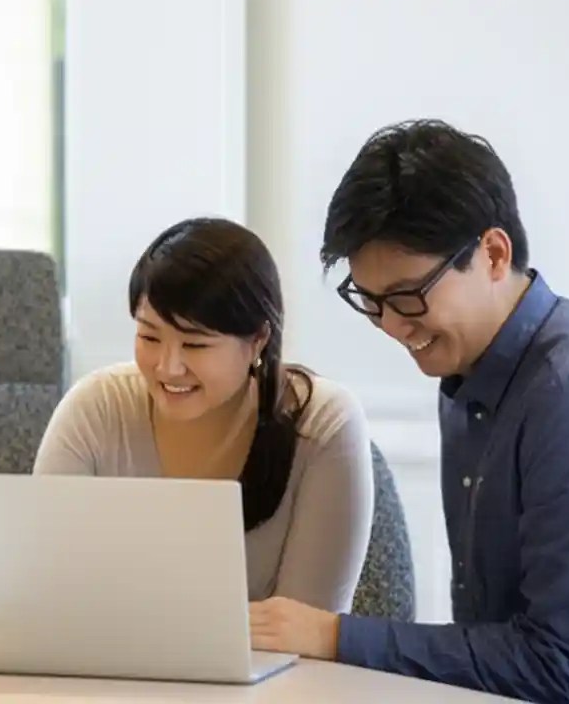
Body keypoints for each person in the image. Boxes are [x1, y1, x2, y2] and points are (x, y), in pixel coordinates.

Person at [249, 119, 569, 703]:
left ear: (493, 254)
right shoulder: (471, 369)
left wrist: (336, 635)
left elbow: (562, 670)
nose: (394, 327)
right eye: (370, 302)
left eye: (406, 296)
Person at [34, 218, 375, 612]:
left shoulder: (323, 425)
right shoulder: (95, 410)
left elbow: (306, 633)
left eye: (194, 344)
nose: (168, 367)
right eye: (149, 337)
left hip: (278, 675)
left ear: (258, 339)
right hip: (102, 668)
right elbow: (48, 593)